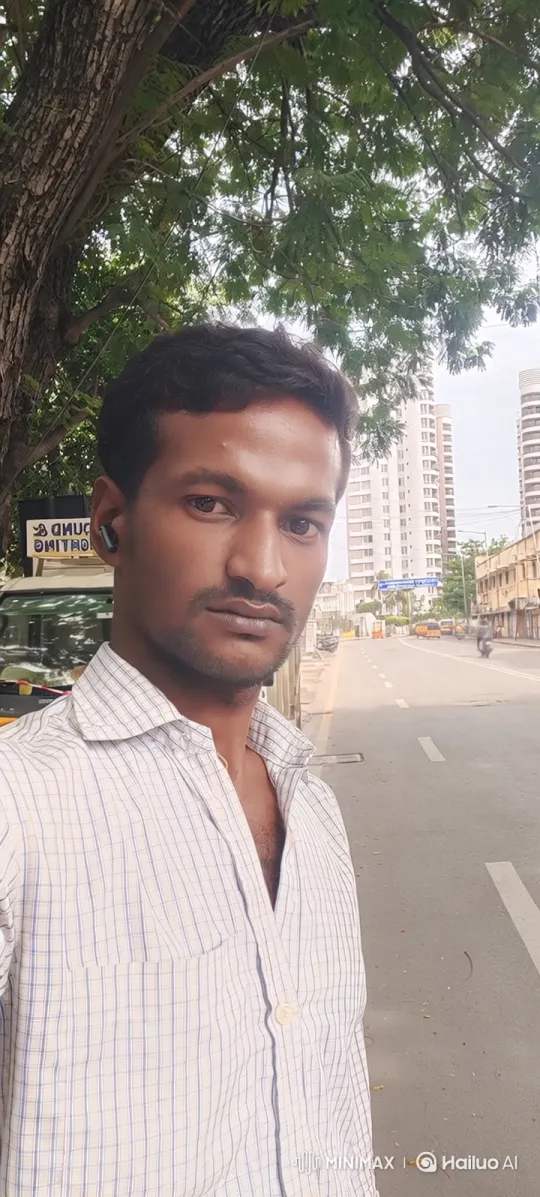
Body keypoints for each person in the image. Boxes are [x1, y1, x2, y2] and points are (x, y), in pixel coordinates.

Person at [0, 325, 377, 1197]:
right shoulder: (23, 808)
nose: (264, 567)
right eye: (212, 502)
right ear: (111, 520)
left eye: (304, 522)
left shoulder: (310, 803)